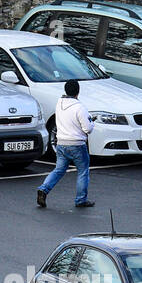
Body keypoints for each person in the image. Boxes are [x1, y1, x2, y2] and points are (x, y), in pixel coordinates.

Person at [37, 79, 95, 210]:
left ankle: (43, 189)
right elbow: (88, 129)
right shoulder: (80, 107)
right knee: (82, 172)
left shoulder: (59, 103)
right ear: (78, 92)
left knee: (59, 170)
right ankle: (81, 200)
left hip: (61, 143)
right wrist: (92, 122)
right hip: (77, 145)